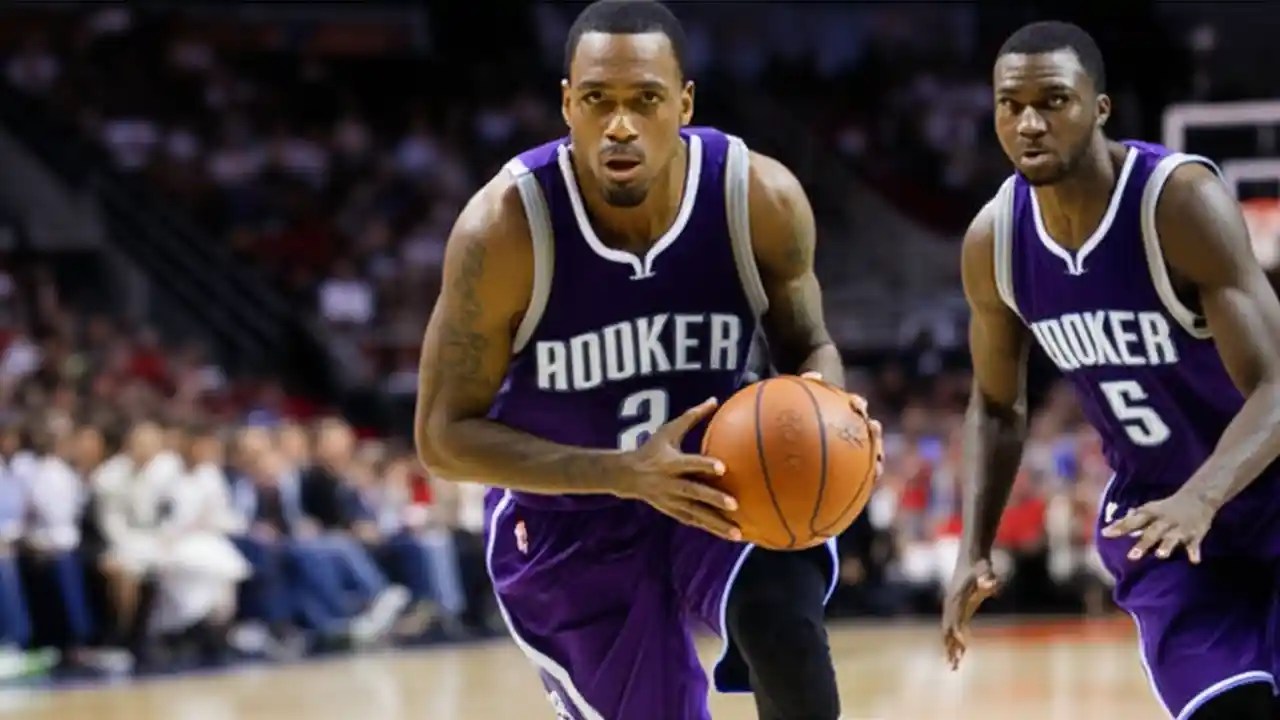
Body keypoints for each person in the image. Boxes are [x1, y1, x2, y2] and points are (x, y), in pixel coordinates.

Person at [414, 2, 883, 718]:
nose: (621, 125)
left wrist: (832, 420)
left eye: (646, 100)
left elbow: (809, 347)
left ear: (684, 102)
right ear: (567, 104)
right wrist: (623, 474)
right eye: (598, 101)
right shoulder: (505, 230)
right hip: (568, 518)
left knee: (784, 631)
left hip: (722, 481)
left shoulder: (757, 198)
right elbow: (441, 438)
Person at [942, 21, 1280, 720]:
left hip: (1262, 490)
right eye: (1011, 105)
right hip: (1158, 522)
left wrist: (1206, 495)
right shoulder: (995, 241)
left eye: (1053, 101)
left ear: (1099, 107)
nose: (1029, 122)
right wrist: (971, 548)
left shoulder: (1177, 204)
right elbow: (998, 407)